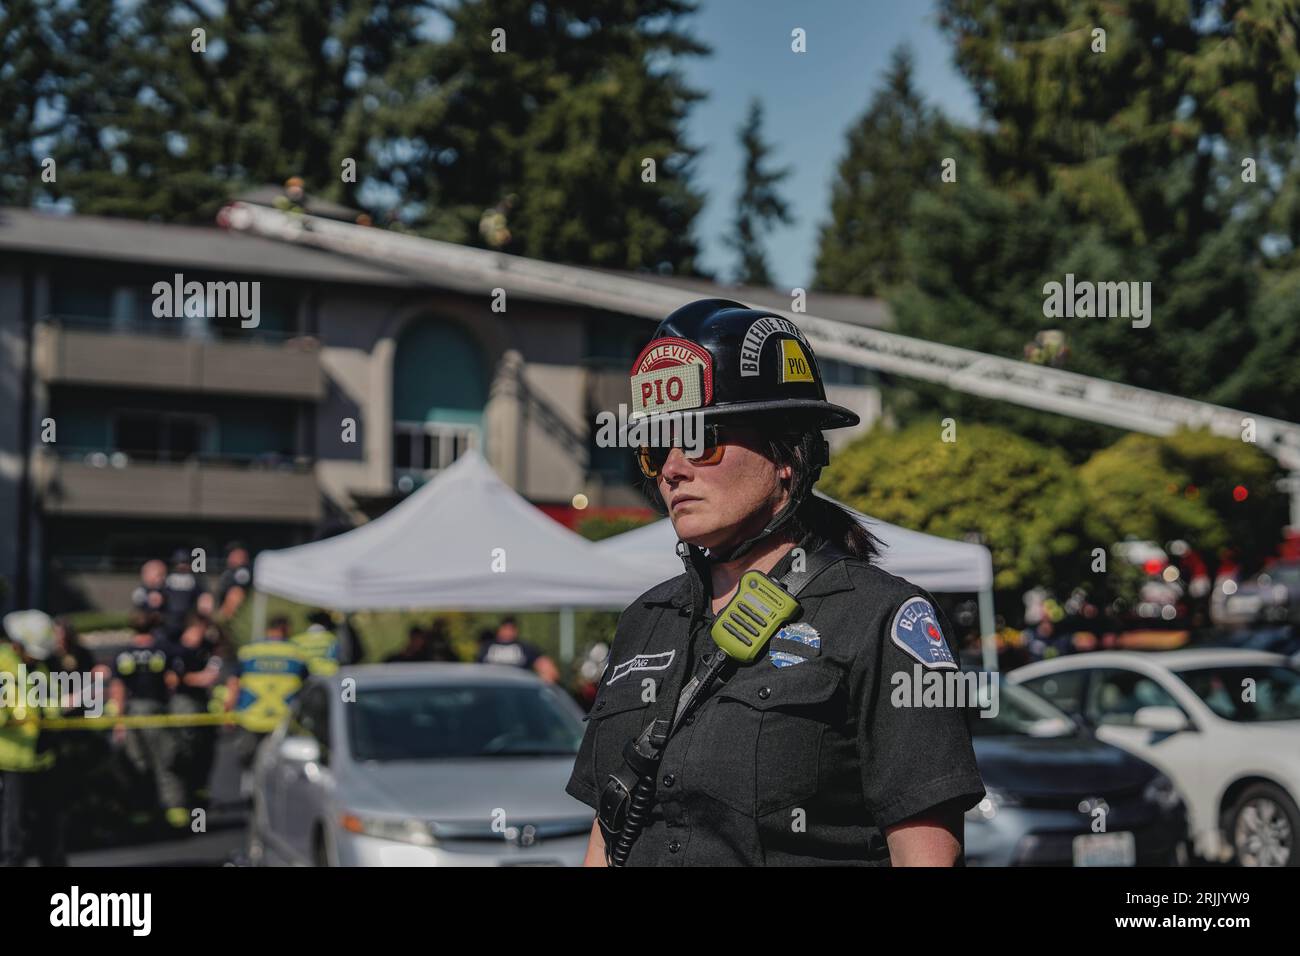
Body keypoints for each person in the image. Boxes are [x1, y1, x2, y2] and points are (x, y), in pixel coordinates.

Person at [567, 299, 986, 867]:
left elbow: (927, 856)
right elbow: (605, 832)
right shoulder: (645, 620)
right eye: (655, 447)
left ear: (786, 453)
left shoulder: (879, 619)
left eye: (699, 439)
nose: (672, 467)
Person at [109, 611, 188, 828]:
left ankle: (142, 811)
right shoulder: (163, 651)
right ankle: (175, 811)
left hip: (132, 714)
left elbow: (117, 689)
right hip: (157, 712)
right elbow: (172, 681)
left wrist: (119, 720)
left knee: (138, 764)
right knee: (166, 760)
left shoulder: (122, 654)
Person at [0, 610, 63, 865]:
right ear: (17, 644)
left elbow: (50, 702)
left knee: (49, 827)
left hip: (41, 758)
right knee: (12, 830)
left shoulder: (38, 667)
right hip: (10, 762)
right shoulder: (4, 666)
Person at [224, 616, 310, 784]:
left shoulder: (249, 651)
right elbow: (306, 686)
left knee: (249, 760)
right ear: (287, 630)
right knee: (280, 765)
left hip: (251, 717)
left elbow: (234, 683)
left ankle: (249, 789)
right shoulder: (297, 653)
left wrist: (228, 710)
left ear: (268, 630)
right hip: (283, 720)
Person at [477, 617, 560, 683]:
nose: (508, 632)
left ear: (516, 631)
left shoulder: (525, 647)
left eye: (511, 628)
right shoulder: (487, 647)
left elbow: (550, 671)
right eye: (506, 628)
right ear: (500, 629)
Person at [290, 610, 340, 676]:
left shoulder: (296, 640)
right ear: (327, 624)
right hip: (329, 676)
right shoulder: (333, 639)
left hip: (305, 677)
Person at [215, 543, 253, 620]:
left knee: (235, 593)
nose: (232, 558)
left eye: (238, 556)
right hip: (222, 605)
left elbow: (236, 593)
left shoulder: (243, 571)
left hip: (240, 612)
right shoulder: (228, 573)